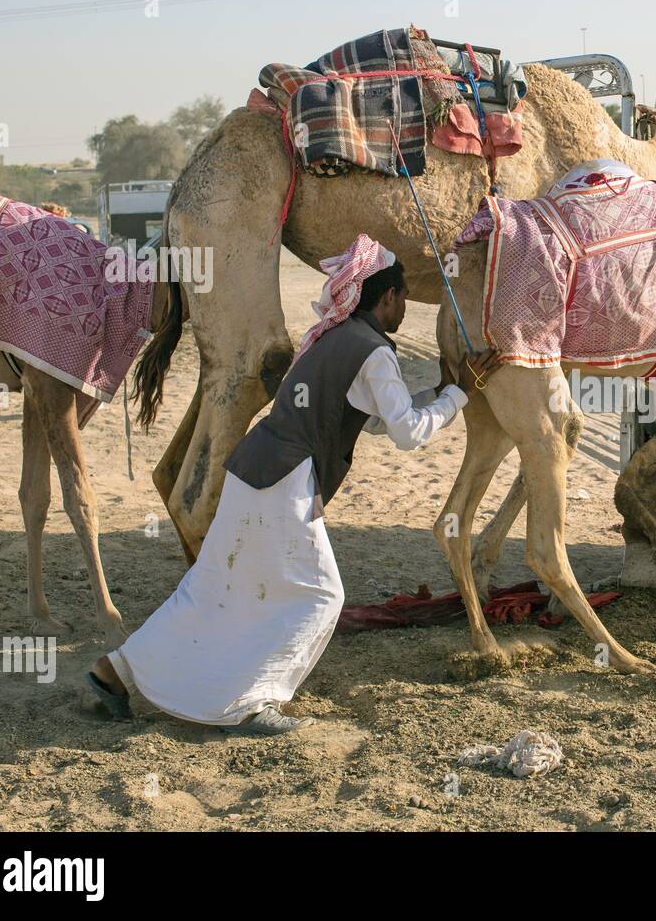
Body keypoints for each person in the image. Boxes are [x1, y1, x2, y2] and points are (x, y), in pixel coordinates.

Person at [87, 235, 499, 734]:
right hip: (284, 482)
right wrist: (457, 392)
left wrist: (439, 391)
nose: (404, 307)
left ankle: (115, 671)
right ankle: (252, 700)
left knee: (211, 585)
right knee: (321, 595)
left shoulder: (334, 338)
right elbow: (408, 434)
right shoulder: (373, 351)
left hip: (250, 471)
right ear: (387, 297)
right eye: (403, 296)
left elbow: (370, 417)